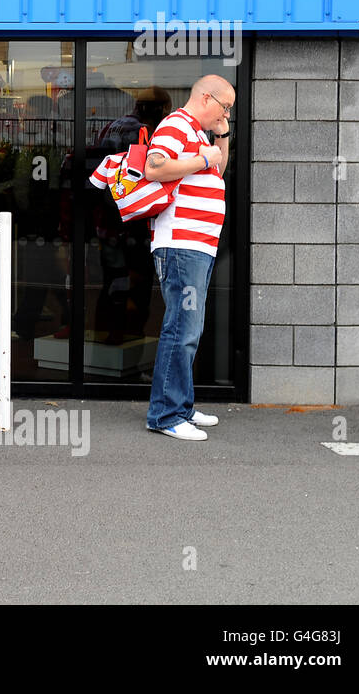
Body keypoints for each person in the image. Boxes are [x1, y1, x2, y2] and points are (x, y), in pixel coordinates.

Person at [142, 74, 233, 441]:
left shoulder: (196, 132)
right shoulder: (177, 125)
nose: (226, 114)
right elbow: (154, 167)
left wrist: (220, 140)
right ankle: (165, 415)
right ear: (207, 98)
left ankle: (181, 407)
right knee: (182, 327)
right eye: (225, 107)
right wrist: (201, 158)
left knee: (189, 328)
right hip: (181, 244)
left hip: (196, 245)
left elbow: (217, 171)